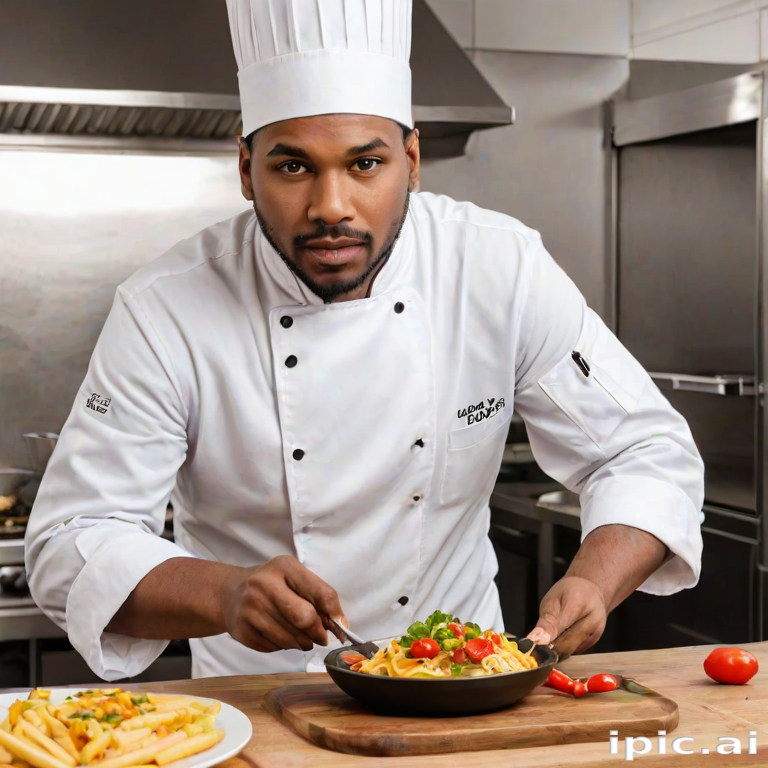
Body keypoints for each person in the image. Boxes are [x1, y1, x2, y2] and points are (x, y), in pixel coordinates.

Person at [25, 0, 704, 681]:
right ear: (244, 167)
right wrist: (225, 594)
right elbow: (70, 542)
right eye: (293, 167)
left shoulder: (497, 266)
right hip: (260, 699)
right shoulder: (165, 308)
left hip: (464, 685)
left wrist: (594, 582)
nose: (331, 206)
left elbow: (644, 449)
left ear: (411, 160)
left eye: (364, 165)